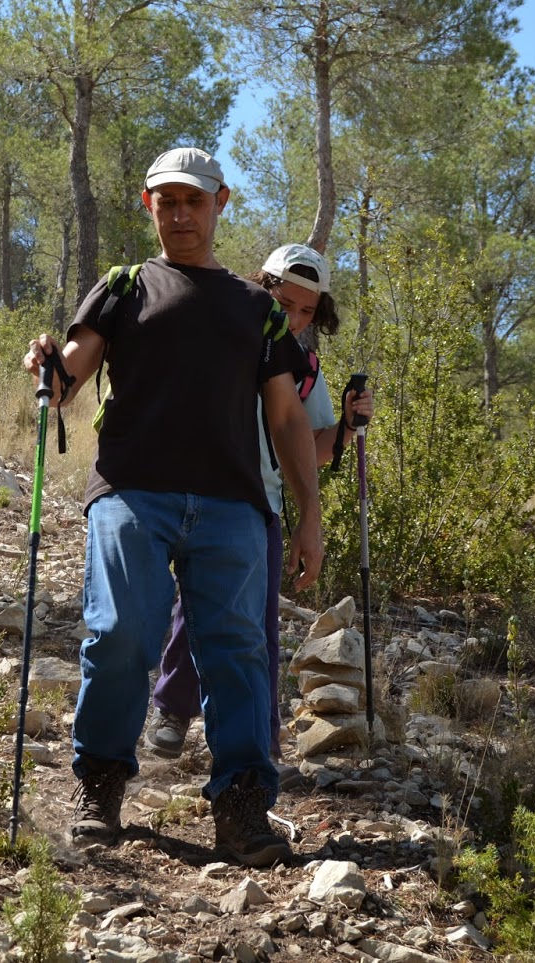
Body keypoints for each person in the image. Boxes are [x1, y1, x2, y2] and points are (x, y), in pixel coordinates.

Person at [22, 147, 323, 867]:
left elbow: (286, 421)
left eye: (195, 199)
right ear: (148, 204)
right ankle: (100, 784)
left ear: (222, 202)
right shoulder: (124, 287)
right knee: (122, 629)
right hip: (132, 489)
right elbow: (70, 375)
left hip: (232, 504)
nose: (182, 213)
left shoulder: (259, 310)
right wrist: (48, 368)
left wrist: (308, 514)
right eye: (168, 200)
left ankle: (243, 808)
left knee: (240, 654)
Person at [145, 242, 374, 768]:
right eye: (284, 303)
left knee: (259, 626)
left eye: (306, 311)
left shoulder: (303, 366)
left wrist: (345, 426)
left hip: (261, 503)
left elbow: (309, 446)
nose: (292, 318)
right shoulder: (219, 337)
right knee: (193, 608)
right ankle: (173, 712)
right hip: (195, 491)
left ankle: (259, 746)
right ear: (261, 286)